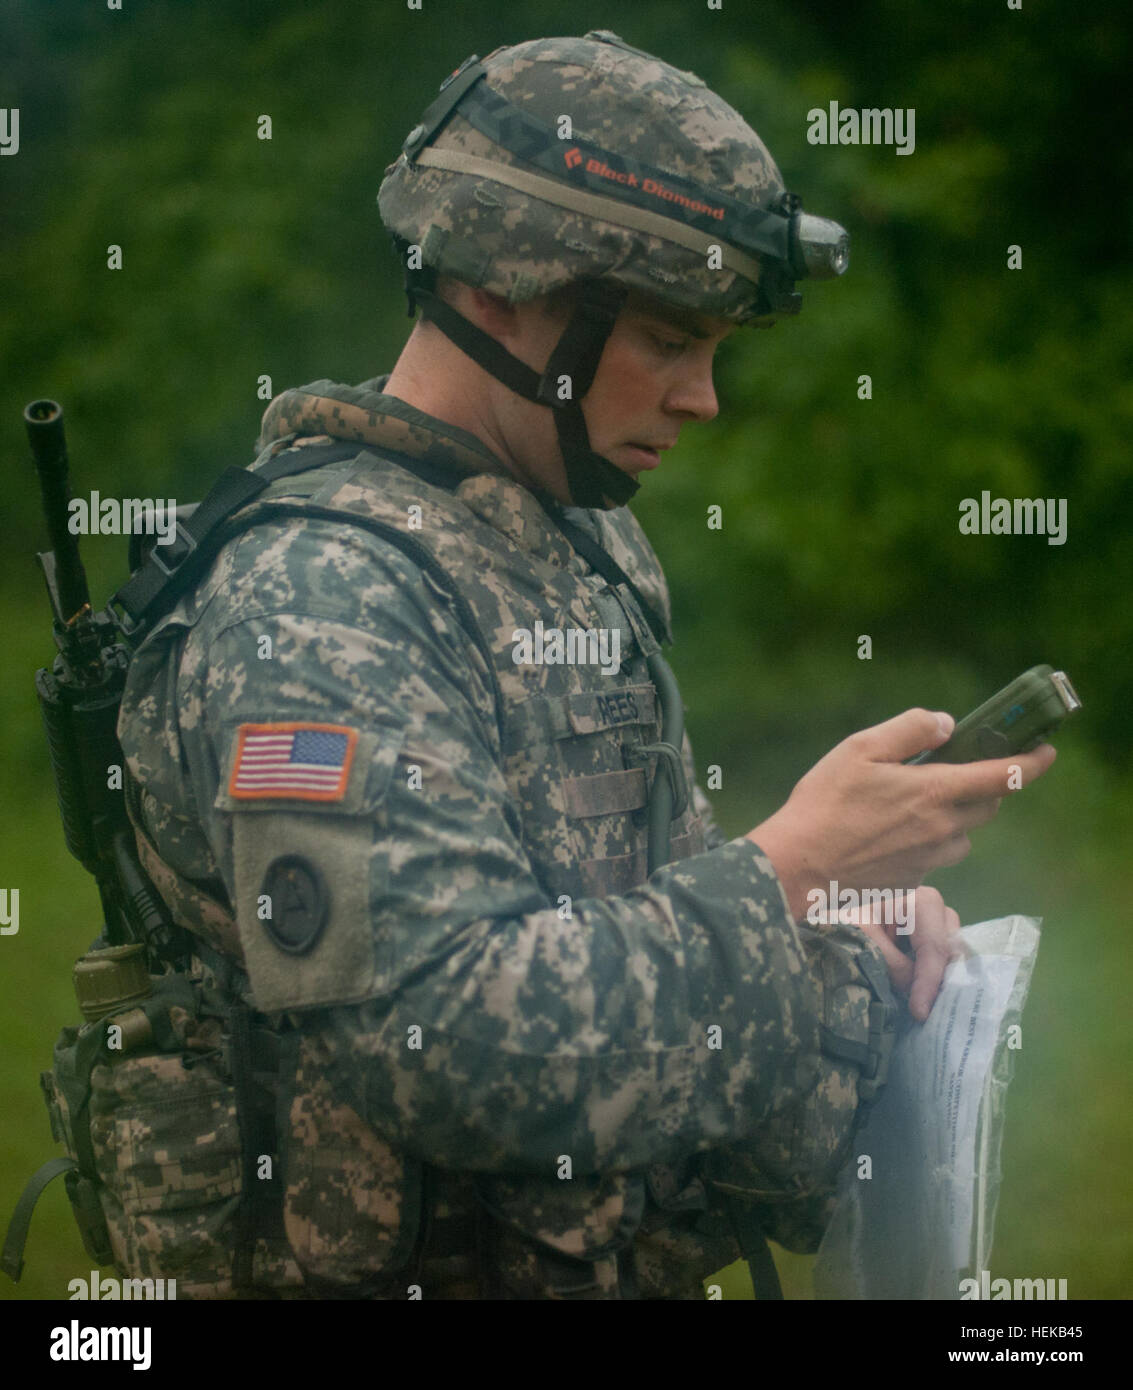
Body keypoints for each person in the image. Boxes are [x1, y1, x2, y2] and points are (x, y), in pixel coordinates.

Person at [113, 30, 1055, 1299]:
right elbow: (446, 1047)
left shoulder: (568, 535)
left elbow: (638, 902)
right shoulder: (320, 599)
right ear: (503, 286)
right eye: (670, 340)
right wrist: (792, 871)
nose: (702, 398)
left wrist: (839, 911)